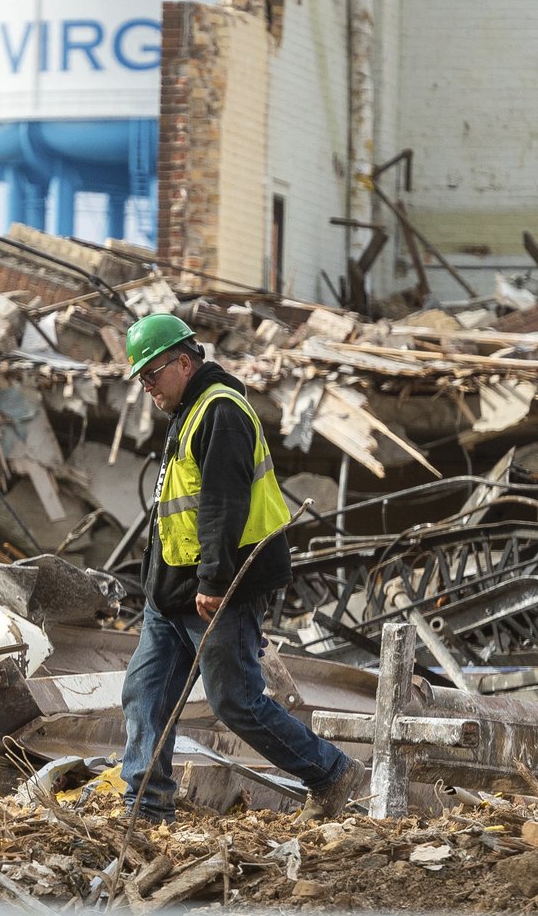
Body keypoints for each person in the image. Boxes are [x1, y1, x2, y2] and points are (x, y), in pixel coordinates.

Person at [117, 312, 363, 824]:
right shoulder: (186, 411)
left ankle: (331, 773)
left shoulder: (220, 411)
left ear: (183, 363)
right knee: (145, 693)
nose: (146, 387)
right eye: (140, 377)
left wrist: (213, 581)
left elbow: (221, 505)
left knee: (236, 702)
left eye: (151, 375)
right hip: (171, 593)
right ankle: (145, 807)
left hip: (217, 589)